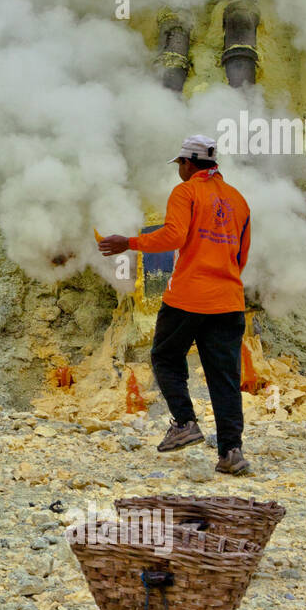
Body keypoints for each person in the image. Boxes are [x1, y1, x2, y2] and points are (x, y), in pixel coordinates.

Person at [98, 134, 252, 474]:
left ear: (187, 163)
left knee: (165, 356)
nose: (178, 170)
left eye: (179, 164)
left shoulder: (186, 191)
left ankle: (184, 423)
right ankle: (231, 453)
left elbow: (174, 236)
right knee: (225, 378)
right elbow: (240, 256)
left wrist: (129, 242)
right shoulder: (239, 200)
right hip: (228, 300)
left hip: (188, 297)